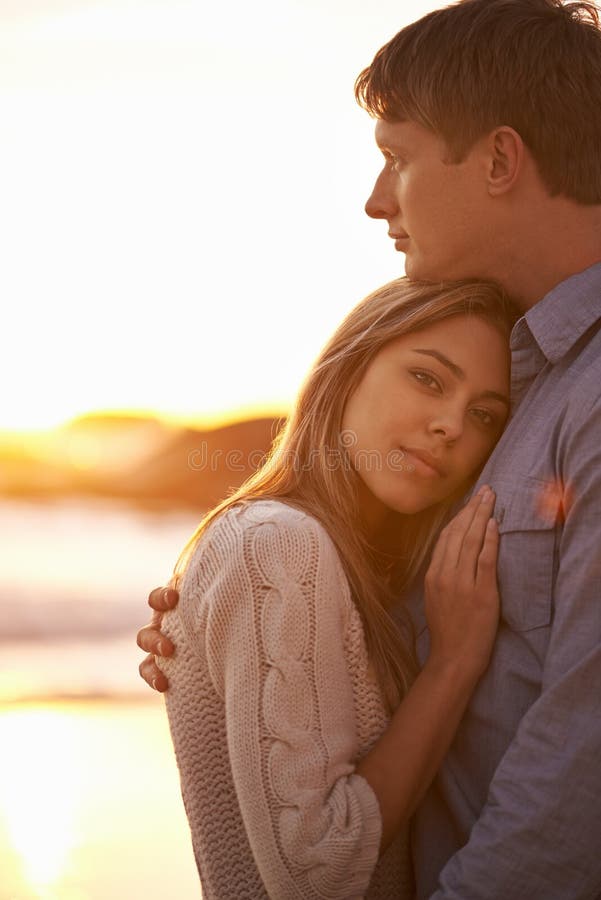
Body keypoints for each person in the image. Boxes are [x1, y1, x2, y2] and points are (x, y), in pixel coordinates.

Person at [138, 0, 601, 896]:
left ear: (499, 160)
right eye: (430, 384)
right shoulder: (518, 370)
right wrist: (249, 635)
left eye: (397, 157)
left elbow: (582, 755)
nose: (375, 199)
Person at [155, 278, 513, 900]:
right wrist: (453, 664)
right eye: (428, 379)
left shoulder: (359, 569)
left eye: (483, 414)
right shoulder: (278, 542)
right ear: (349, 368)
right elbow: (317, 874)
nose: (451, 426)